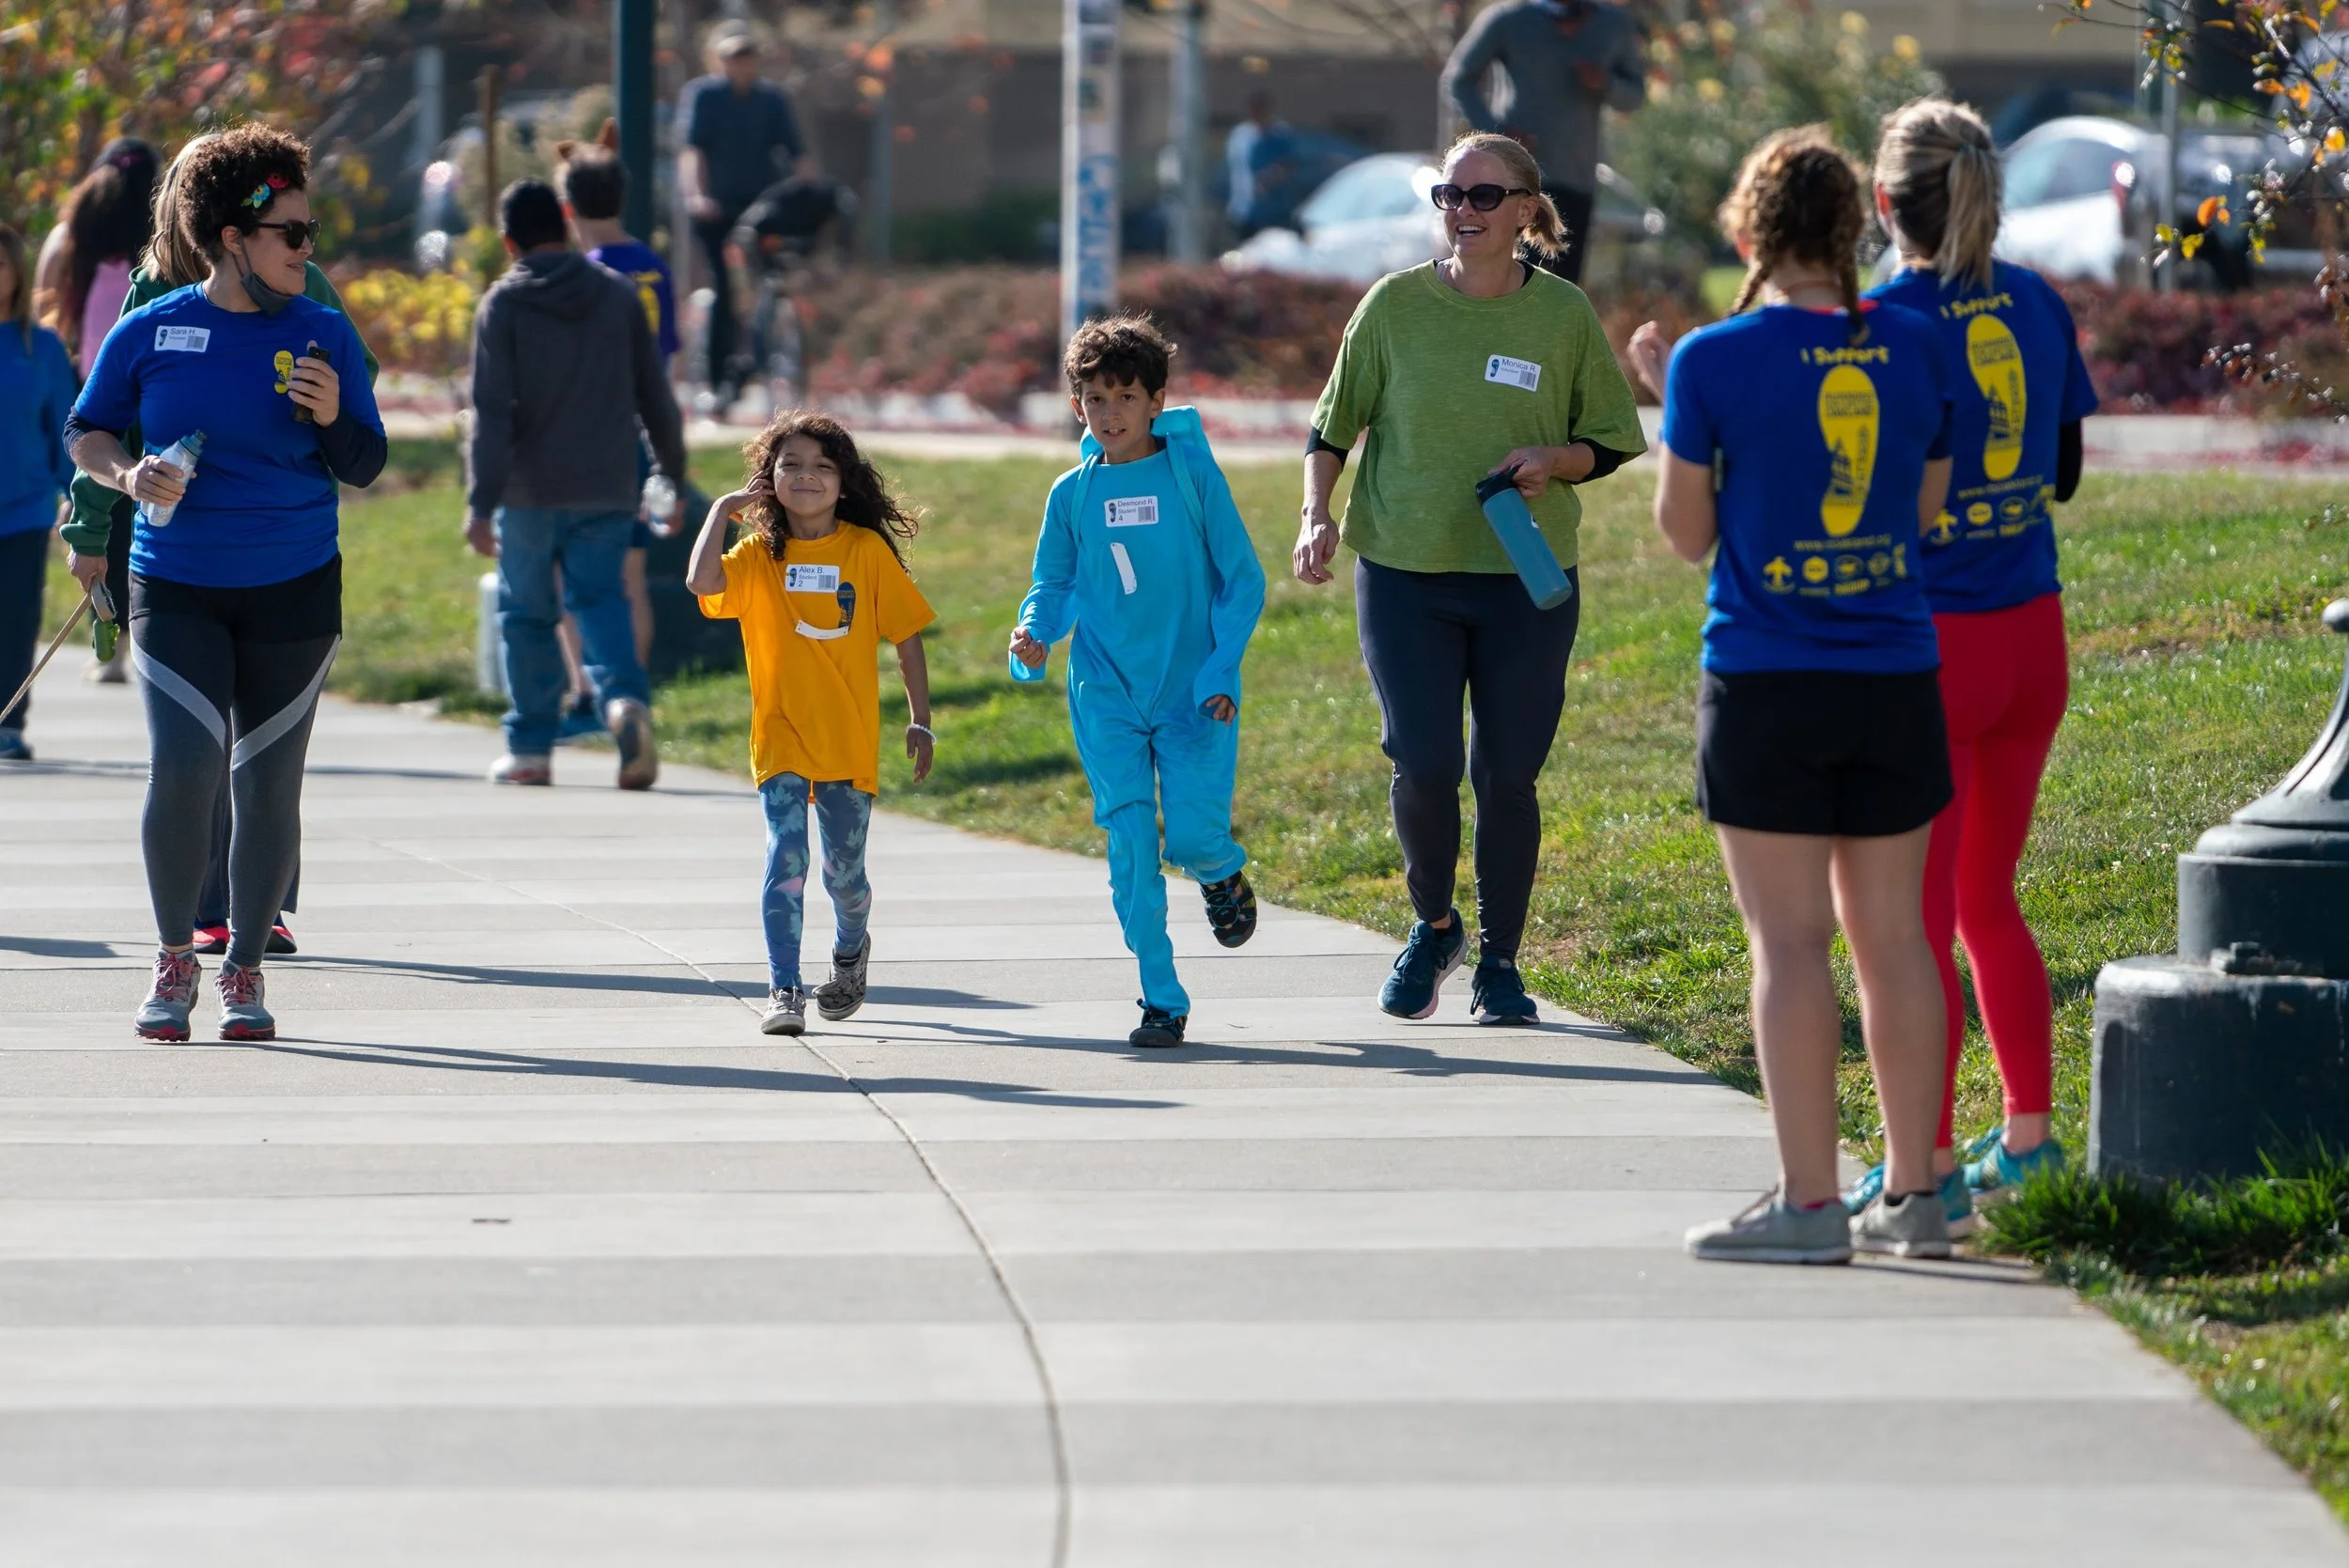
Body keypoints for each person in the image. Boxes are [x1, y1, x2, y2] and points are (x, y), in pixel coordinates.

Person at [1625, 125, 1957, 1263]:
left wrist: (1673, 402)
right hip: (1895, 674)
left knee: (1790, 946)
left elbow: (1685, 535)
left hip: (1767, 680)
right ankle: (1916, 1195)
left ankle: (1812, 1206)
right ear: (1853, 228)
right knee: (1896, 941)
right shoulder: (1916, 347)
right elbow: (1918, 516)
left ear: (1748, 232)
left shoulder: (1711, 361)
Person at [1294, 131, 1644, 1027]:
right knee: (1421, 762)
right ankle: (1435, 925)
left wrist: (1550, 460)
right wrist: (1316, 514)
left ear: (1529, 210)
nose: (1464, 212)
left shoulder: (1562, 316)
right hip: (1406, 569)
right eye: (1450, 195)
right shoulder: (1392, 307)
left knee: (1506, 775)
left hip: (1522, 578)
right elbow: (1331, 429)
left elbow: (1609, 439)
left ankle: (1500, 963)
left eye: (1485, 197)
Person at [65, 123, 387, 1043]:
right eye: (292, 233)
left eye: (308, 231)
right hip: (177, 585)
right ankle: (174, 957)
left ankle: (244, 965)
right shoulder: (153, 327)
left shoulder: (323, 330)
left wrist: (331, 417)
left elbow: (365, 461)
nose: (306, 250)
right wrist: (127, 478)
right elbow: (86, 432)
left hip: (294, 586)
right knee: (187, 767)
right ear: (234, 238)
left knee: (268, 783)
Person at [1845, 97, 2099, 1226]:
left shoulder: (1882, 319)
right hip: (2030, 633)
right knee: (1987, 900)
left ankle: (1930, 1160)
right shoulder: (2038, 299)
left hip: (1930, 648)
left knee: (1909, 920)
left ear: (1884, 203)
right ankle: (2031, 1140)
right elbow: (2064, 471)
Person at [1011, 318, 1268, 1050]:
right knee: (1129, 849)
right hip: (1107, 694)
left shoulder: (1190, 476)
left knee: (1190, 836)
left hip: (1193, 691)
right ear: (1076, 405)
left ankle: (1220, 871)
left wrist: (1220, 669)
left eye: (1126, 395)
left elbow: (1243, 579)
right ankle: (1162, 996)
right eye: (1095, 397)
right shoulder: (1071, 494)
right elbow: (1053, 584)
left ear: (1157, 400)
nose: (1111, 412)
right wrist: (1034, 633)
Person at [688, 411, 935, 1037]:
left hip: (848, 738)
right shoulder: (757, 556)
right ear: (768, 479)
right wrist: (721, 509)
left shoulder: (864, 550)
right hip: (781, 737)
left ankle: (851, 946)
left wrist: (920, 720)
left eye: (822, 466)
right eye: (790, 464)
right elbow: (700, 581)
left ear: (844, 482)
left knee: (842, 874)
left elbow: (906, 638)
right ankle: (784, 987)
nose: (806, 477)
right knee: (788, 857)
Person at [463, 179, 688, 790]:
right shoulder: (616, 297)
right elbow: (656, 398)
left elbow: (491, 415)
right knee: (600, 599)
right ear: (565, 223)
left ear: (509, 242)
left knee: (529, 614)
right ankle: (622, 703)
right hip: (607, 485)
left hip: (528, 493)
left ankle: (531, 750)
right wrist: (671, 473)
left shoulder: (502, 306)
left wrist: (480, 504)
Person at [555, 125, 679, 707]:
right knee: (630, 577)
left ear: (568, 207)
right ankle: (632, 698)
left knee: (568, 573)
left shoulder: (589, 276)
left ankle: (584, 692)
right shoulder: (654, 267)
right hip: (644, 435)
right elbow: (670, 361)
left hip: (592, 439)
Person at [37, 140, 160, 687]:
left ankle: (106, 639)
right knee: (145, 506)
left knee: (95, 506)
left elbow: (49, 301)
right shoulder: (160, 239)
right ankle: (147, 635)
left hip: (94, 386)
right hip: (154, 385)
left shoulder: (76, 233)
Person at [1439, 0, 1645, 284]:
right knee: (1511, 282)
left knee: (1565, 288)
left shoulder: (1613, 24)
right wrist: (1497, 134)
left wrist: (1606, 83)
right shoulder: (1509, 19)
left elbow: (1635, 95)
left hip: (1577, 177)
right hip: (1512, 182)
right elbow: (1458, 80)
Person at [678, 24, 809, 413]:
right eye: (733, 56)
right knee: (724, 286)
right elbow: (693, 152)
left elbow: (797, 153)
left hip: (760, 209)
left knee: (771, 282)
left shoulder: (771, 99)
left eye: (747, 55)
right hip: (717, 209)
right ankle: (719, 382)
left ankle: (765, 353)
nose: (742, 63)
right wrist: (698, 195)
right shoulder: (704, 95)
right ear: (719, 59)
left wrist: (807, 193)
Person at [0, 224, 78, 763]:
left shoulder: (41, 346)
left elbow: (70, 429)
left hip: (24, 509)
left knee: (17, 617)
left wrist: (71, 493)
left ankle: (9, 721)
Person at [33, 139, 159, 379]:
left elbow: (44, 314)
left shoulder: (68, 237)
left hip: (88, 383)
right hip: (150, 380)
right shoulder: (161, 240)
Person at [1224, 93, 1282, 239]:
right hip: (1241, 208)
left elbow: (1288, 164)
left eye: (1260, 107)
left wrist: (1269, 179)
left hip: (1271, 211)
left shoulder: (1279, 134)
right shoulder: (1240, 134)